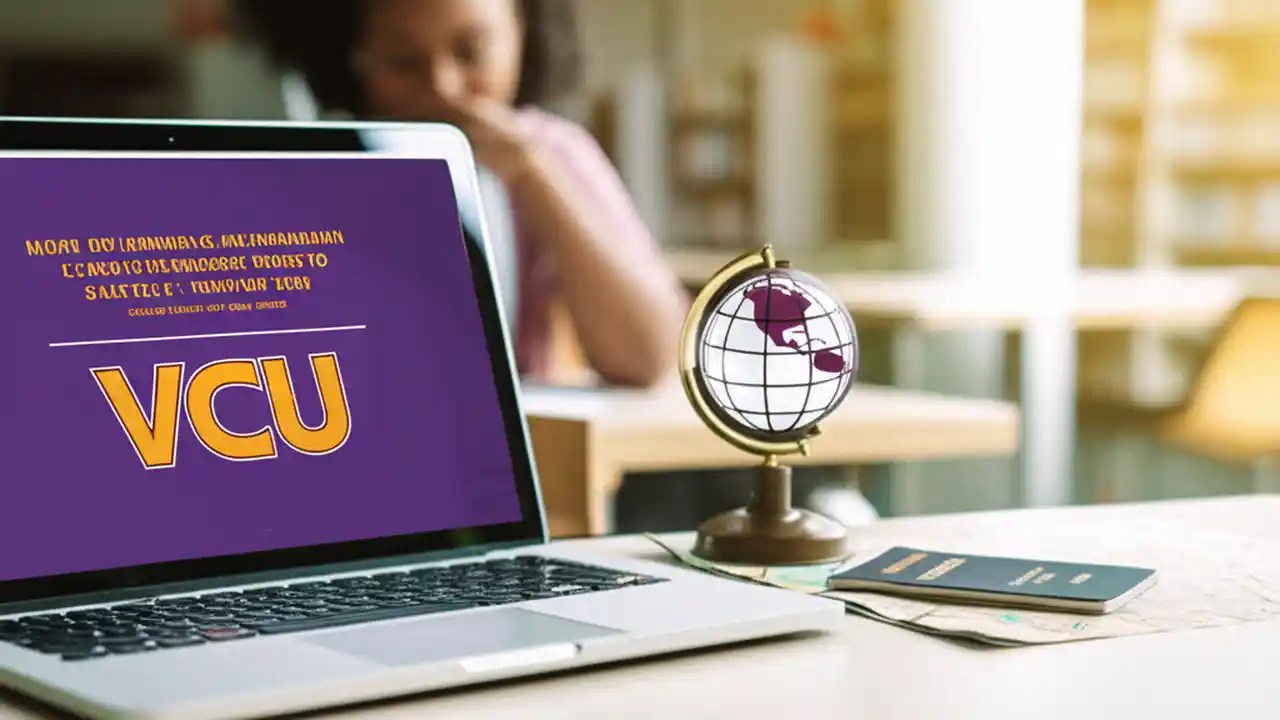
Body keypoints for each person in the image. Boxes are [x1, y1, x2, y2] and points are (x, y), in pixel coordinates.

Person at [234, 0, 688, 387]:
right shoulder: (317, 169)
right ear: (354, 54)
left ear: (524, 34)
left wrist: (532, 177)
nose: (443, 87)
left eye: (472, 53)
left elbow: (649, 357)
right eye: (403, 61)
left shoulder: (549, 153)